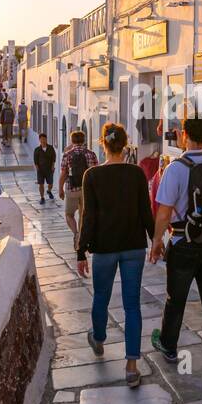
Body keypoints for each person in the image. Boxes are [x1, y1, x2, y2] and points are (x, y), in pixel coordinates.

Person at [150, 116, 202, 393]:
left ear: (184, 134)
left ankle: (169, 345)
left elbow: (163, 212)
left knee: (177, 299)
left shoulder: (176, 169)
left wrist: (156, 242)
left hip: (184, 242)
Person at [76, 123, 155, 388]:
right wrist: (156, 240)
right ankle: (132, 367)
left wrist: (80, 250)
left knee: (101, 297)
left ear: (103, 144)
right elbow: (146, 211)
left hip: (104, 249)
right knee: (132, 305)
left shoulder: (92, 175)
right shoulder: (136, 174)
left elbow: (88, 217)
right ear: (125, 143)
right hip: (133, 247)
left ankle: (98, 338)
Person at [59, 130, 98, 250]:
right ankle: (81, 237)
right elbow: (95, 173)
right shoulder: (91, 154)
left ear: (72, 141)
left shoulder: (67, 155)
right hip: (87, 191)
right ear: (84, 140)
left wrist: (60, 188)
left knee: (69, 214)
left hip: (72, 189)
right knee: (83, 215)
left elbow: (63, 173)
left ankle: (76, 234)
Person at [34, 132, 56, 203]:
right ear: (39, 140)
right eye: (41, 139)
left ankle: (49, 191)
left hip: (49, 169)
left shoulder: (51, 148)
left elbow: (53, 158)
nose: (43, 140)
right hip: (40, 170)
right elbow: (35, 160)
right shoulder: (37, 150)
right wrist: (37, 169)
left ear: (46, 139)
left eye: (44, 139)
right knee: (41, 184)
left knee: (50, 183)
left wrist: (53, 166)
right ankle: (42, 198)